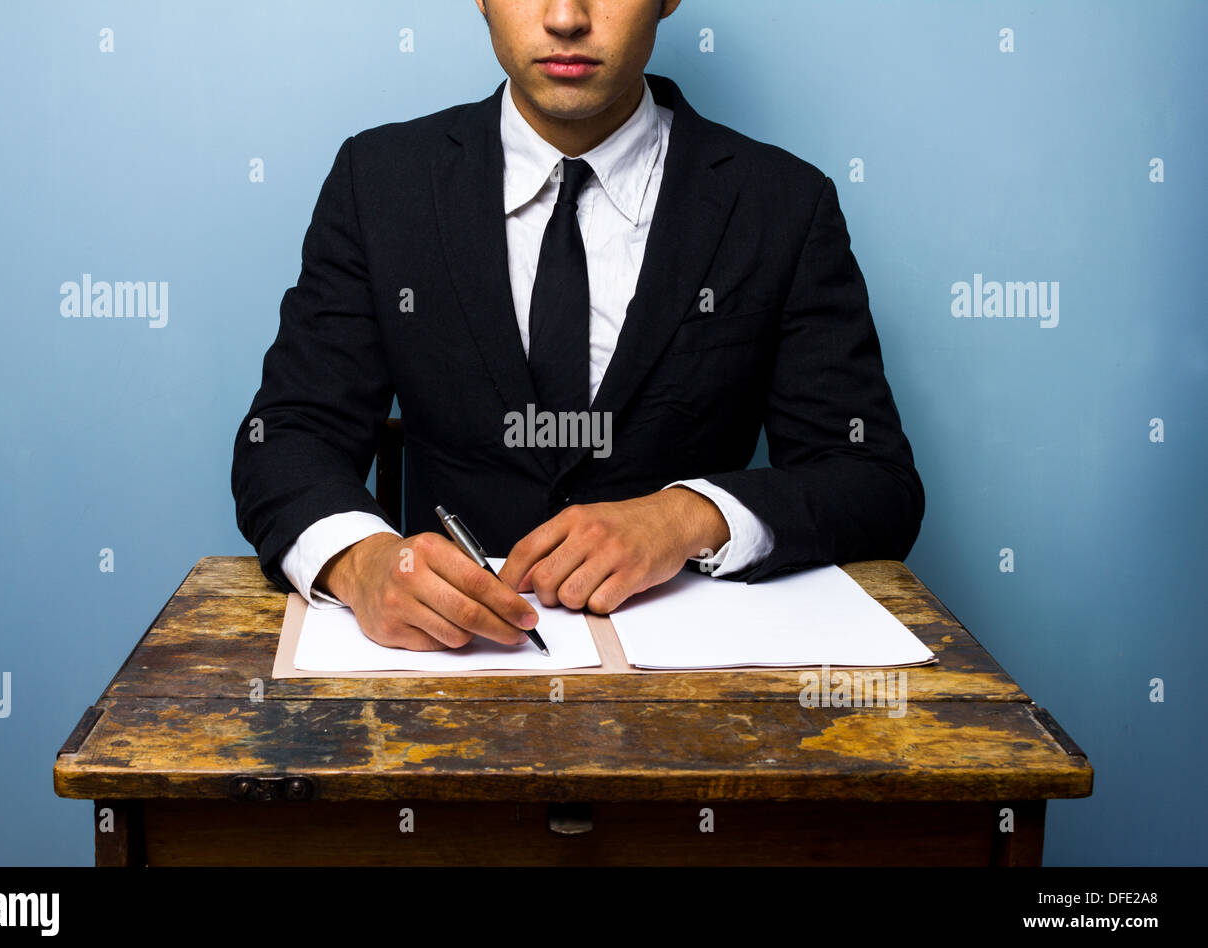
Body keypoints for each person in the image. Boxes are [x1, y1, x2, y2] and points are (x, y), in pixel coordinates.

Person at [232, 0, 923, 651]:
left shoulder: (783, 205)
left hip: (694, 685)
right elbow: (288, 434)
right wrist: (361, 562)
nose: (566, 18)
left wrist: (688, 517)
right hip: (451, 670)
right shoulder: (380, 182)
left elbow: (872, 479)